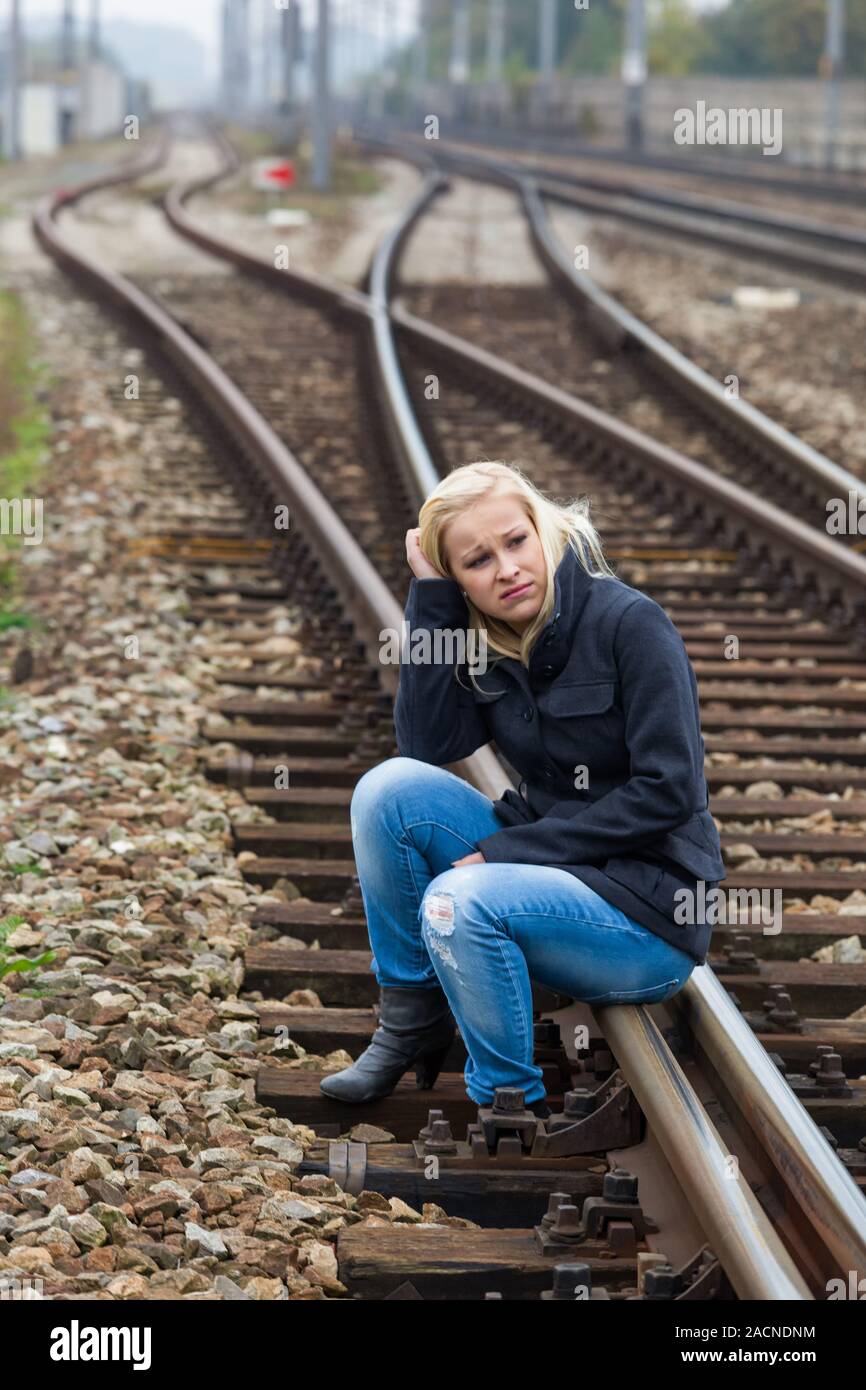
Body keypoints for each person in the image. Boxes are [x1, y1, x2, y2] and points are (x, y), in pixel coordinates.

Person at [320, 461, 725, 1115]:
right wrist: (431, 600)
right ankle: (411, 1022)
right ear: (460, 582)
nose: (506, 569)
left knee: (457, 900)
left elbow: (670, 790)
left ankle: (508, 1101)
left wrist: (512, 853)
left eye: (515, 542)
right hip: (548, 875)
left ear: (544, 531)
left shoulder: (631, 625)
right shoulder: (490, 640)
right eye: (476, 562)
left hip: (645, 915)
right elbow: (423, 744)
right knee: (386, 791)